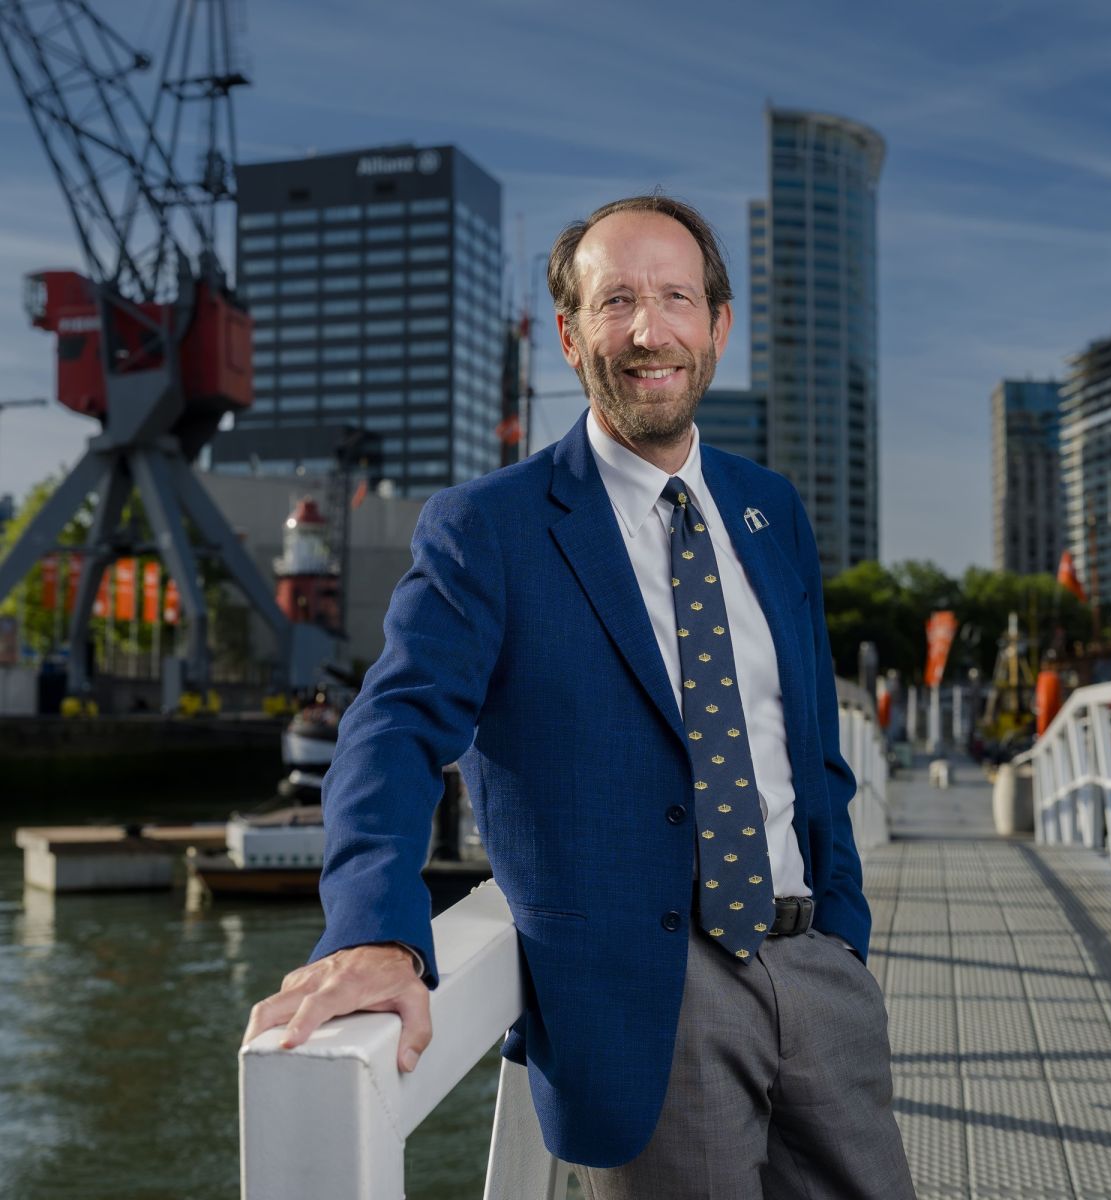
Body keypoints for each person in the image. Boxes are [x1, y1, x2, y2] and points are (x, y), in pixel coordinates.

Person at [244, 194, 915, 1199]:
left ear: (718, 327)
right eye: (618, 302)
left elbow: (809, 748)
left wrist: (844, 943)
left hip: (815, 968)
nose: (650, 331)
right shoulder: (489, 528)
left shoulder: (771, 511)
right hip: (650, 1002)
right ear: (569, 334)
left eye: (677, 299)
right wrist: (377, 932)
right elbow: (389, 730)